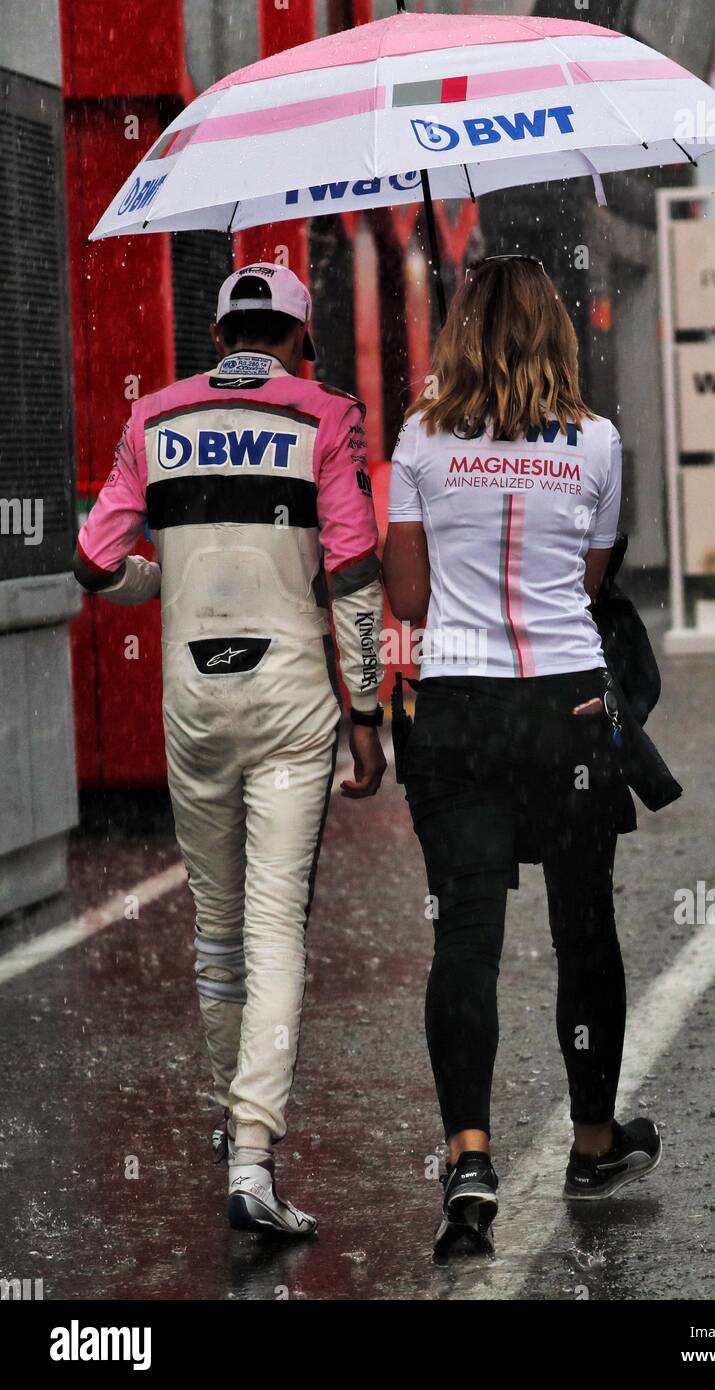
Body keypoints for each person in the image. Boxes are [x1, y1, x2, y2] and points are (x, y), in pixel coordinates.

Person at [73, 262, 386, 1238]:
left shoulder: (153, 417)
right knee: (275, 927)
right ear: (298, 341)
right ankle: (253, 1151)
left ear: (217, 337)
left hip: (192, 703)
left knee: (216, 931)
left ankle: (229, 1121)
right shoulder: (327, 414)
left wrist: (164, 579)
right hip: (290, 702)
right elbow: (355, 572)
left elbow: (92, 562)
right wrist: (368, 709)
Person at [384, 256, 663, 1252]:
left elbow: (408, 601)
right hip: (567, 711)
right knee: (582, 926)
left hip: (455, 712)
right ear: (556, 336)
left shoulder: (416, 440)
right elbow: (587, 581)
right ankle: (592, 1140)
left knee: (464, 932)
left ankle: (467, 1156)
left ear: (459, 333)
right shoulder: (595, 443)